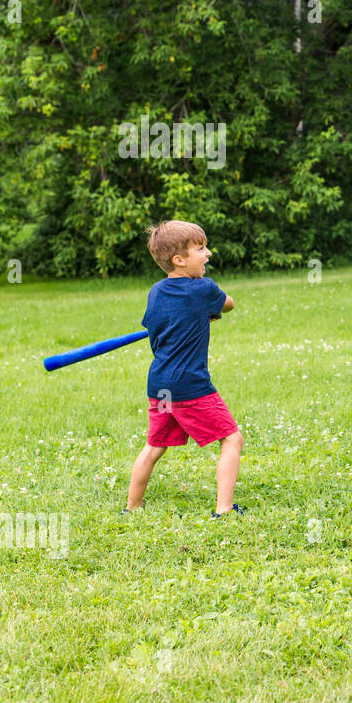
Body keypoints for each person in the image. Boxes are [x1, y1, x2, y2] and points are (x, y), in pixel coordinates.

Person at [123, 220, 244, 518]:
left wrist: (199, 316)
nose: (208, 253)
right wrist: (209, 308)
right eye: (200, 249)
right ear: (179, 260)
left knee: (154, 446)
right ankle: (224, 510)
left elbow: (161, 324)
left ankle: (132, 508)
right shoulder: (203, 289)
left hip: (160, 385)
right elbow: (228, 304)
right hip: (190, 386)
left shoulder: (155, 292)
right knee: (232, 438)